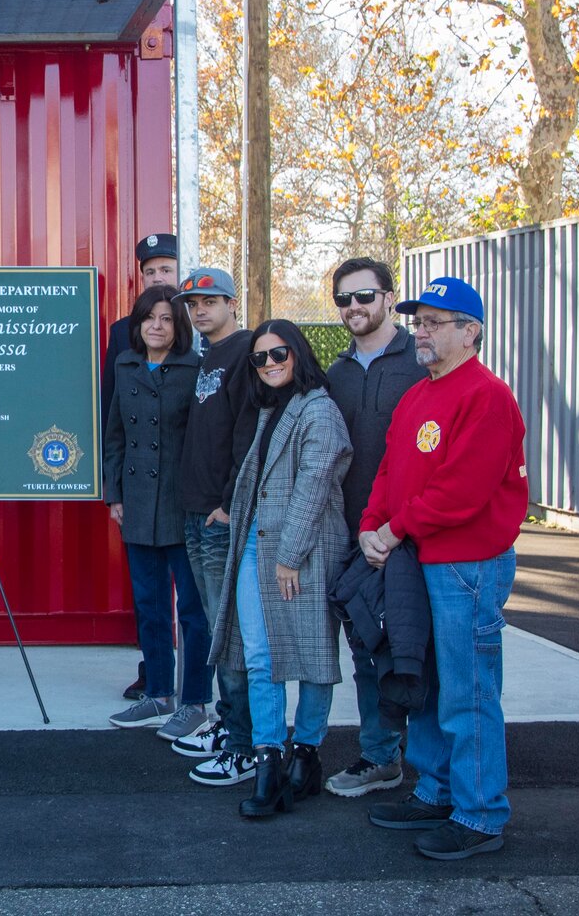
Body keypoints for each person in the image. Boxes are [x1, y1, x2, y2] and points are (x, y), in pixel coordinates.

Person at [361, 277, 527, 861]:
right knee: (427, 685)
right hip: (419, 560)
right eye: (420, 321)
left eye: (434, 321)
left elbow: (463, 492)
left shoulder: (486, 396)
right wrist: (371, 525)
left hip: (467, 566)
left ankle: (480, 814)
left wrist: (394, 529)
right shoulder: (418, 394)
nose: (420, 331)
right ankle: (435, 790)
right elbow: (388, 470)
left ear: (470, 331)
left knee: (469, 691)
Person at [208, 320, 351, 818]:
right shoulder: (268, 411)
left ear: (299, 354)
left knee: (313, 654)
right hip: (254, 545)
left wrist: (290, 556)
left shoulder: (320, 411)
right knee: (261, 655)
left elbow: (313, 488)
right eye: (260, 358)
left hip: (306, 549)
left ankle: (305, 755)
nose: (270, 364)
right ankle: (269, 760)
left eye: (279, 353)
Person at [322, 257, 425, 798]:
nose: (354, 308)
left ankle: (435, 762)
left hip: (414, 535)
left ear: (389, 296)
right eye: (344, 299)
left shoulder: (422, 362)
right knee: (367, 649)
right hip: (352, 534)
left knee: (418, 651)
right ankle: (380, 755)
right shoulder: (335, 373)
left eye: (364, 296)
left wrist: (401, 527)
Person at [102, 285, 212, 742]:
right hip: (137, 504)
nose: (156, 326)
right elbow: (113, 435)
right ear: (137, 323)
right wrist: (115, 496)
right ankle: (159, 694)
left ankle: (194, 702)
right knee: (148, 606)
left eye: (166, 318)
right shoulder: (125, 365)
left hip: (181, 502)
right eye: (149, 317)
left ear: (178, 325)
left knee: (191, 609)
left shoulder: (196, 368)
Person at [171, 268, 259, 786]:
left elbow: (249, 435)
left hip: (219, 518)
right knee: (213, 626)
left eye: (210, 301)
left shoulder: (247, 354)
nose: (200, 310)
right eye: (193, 304)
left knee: (231, 633)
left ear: (231, 303)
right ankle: (229, 724)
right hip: (195, 513)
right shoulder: (207, 357)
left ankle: (243, 744)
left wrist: (228, 504)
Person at [102, 233, 182, 701]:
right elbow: (113, 411)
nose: (157, 277)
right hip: (138, 485)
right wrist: (112, 490)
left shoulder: (202, 324)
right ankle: (153, 671)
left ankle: (193, 686)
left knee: (193, 599)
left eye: (165, 269)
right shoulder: (122, 332)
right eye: (150, 271)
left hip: (185, 487)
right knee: (148, 593)